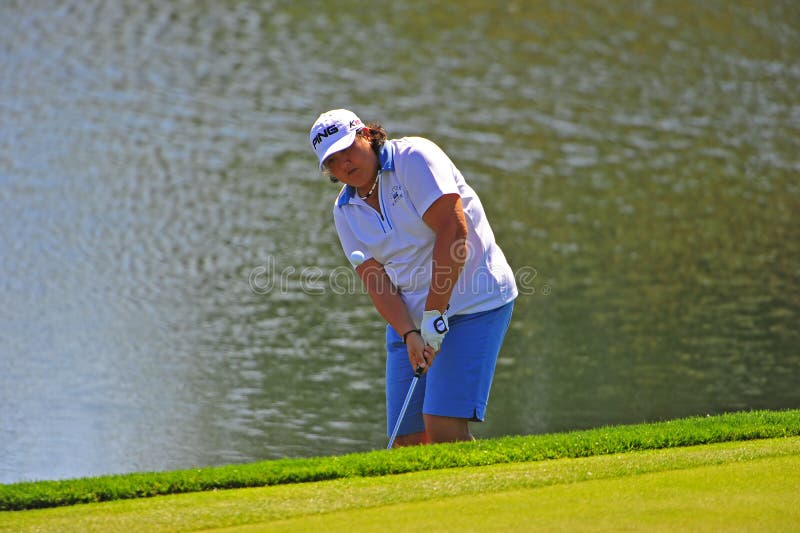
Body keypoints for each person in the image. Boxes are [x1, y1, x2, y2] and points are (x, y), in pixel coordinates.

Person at [309, 109, 518, 446]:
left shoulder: (414, 159)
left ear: (366, 135)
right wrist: (409, 332)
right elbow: (376, 281)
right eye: (332, 161)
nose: (343, 164)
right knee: (408, 441)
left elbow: (454, 232)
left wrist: (434, 313)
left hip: (474, 303)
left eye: (347, 149)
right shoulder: (345, 211)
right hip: (413, 319)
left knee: (443, 428)